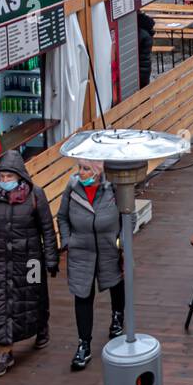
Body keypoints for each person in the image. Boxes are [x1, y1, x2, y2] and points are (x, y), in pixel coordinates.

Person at [0, 150, 59, 377]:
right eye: (2, 177)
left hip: (31, 261)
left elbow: (47, 229)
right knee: (1, 305)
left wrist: (51, 258)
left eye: (9, 176)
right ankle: (5, 352)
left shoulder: (36, 195)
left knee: (35, 296)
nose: (5, 181)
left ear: (20, 176)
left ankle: (40, 327)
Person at [57, 157, 126, 371]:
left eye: (86, 168)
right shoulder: (72, 187)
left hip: (108, 248)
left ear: (97, 171)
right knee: (82, 295)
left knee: (115, 282)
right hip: (81, 251)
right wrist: (68, 241)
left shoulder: (113, 187)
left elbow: (127, 215)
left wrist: (121, 241)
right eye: (79, 168)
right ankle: (83, 344)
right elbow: (62, 217)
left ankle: (117, 316)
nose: (81, 172)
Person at [137, 10, 156, 88]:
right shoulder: (147, 33)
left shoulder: (142, 34)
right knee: (145, 91)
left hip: (141, 70)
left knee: (142, 93)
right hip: (146, 69)